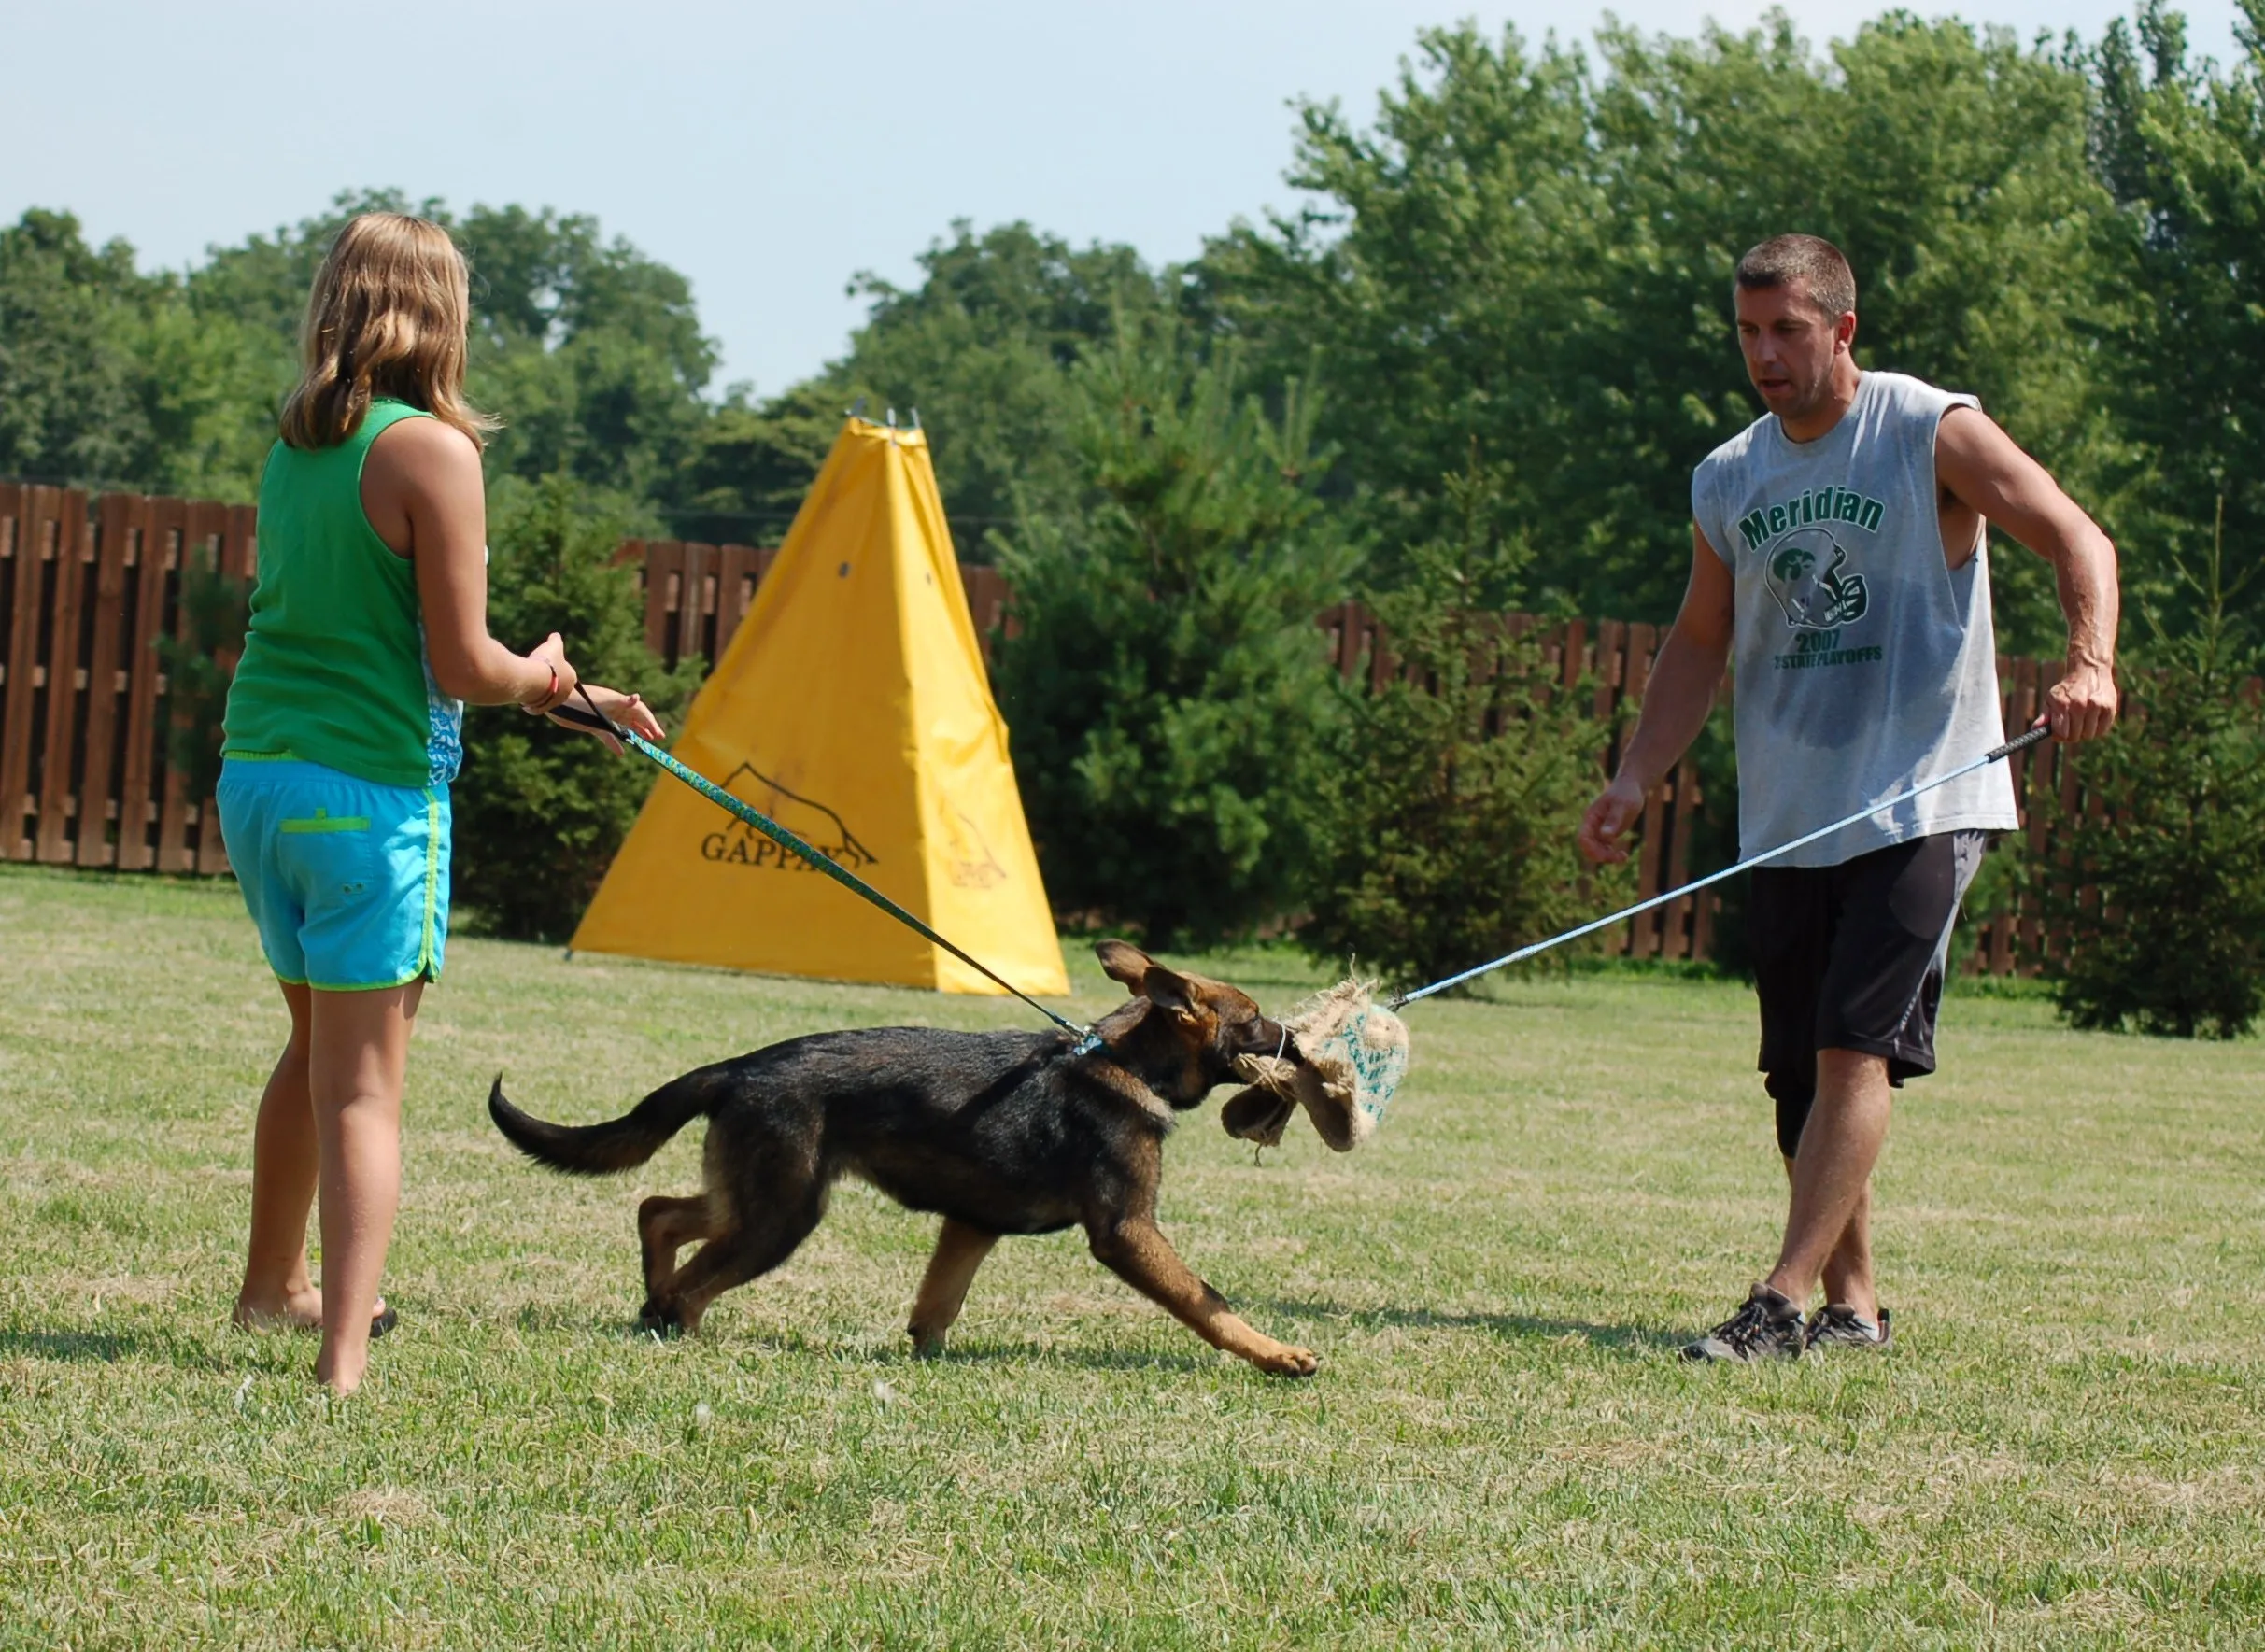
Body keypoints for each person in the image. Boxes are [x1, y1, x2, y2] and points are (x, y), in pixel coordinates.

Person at [1578, 233, 2119, 1361]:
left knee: (1849, 1047)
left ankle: (1775, 1298)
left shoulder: (1927, 427)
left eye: (1785, 329)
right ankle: (1854, 1305)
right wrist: (1635, 773)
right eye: (1746, 332)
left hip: (1925, 791)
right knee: (1795, 1073)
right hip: (1789, 811)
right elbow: (1696, 639)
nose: (1763, 353)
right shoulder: (1729, 476)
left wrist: (2090, 660)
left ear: (1842, 329)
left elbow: (2075, 533)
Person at [218, 212, 665, 1393]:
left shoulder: (297, 441)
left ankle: (274, 1289)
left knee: (314, 1046)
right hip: (368, 804)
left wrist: (579, 694)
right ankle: (342, 1360)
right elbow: (467, 668)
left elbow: (399, 643)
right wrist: (547, 667)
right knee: (364, 1083)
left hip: (261, 782)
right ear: (441, 313)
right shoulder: (433, 450)